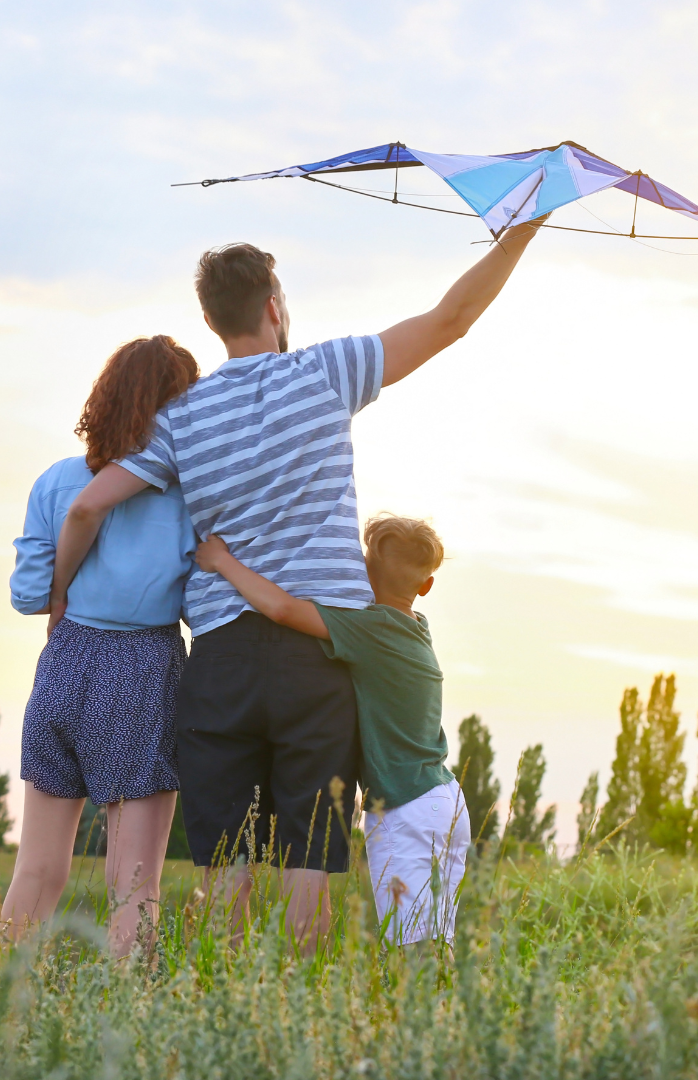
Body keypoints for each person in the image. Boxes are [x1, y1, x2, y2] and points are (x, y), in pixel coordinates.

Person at [50, 219, 545, 951]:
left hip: (220, 662)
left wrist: (60, 596)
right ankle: (294, 1004)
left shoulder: (180, 420)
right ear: (274, 307)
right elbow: (451, 319)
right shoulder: (326, 371)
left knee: (225, 864)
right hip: (316, 661)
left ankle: (225, 1005)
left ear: (212, 320)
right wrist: (522, 230)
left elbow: (87, 507)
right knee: (308, 857)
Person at [3, 336, 199, 955]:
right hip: (142, 669)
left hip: (62, 665)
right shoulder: (186, 491)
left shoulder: (56, 480)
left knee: (37, 872)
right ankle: (130, 1012)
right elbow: (200, 603)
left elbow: (28, 595)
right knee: (134, 885)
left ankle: (7, 992)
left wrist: (68, 587)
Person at [196, 515, 468, 946]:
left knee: (415, 944)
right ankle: (444, 992)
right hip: (443, 799)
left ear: (361, 571)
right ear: (426, 586)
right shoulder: (415, 626)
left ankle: (429, 997)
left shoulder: (370, 629)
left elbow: (283, 610)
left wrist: (222, 561)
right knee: (433, 935)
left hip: (406, 806)